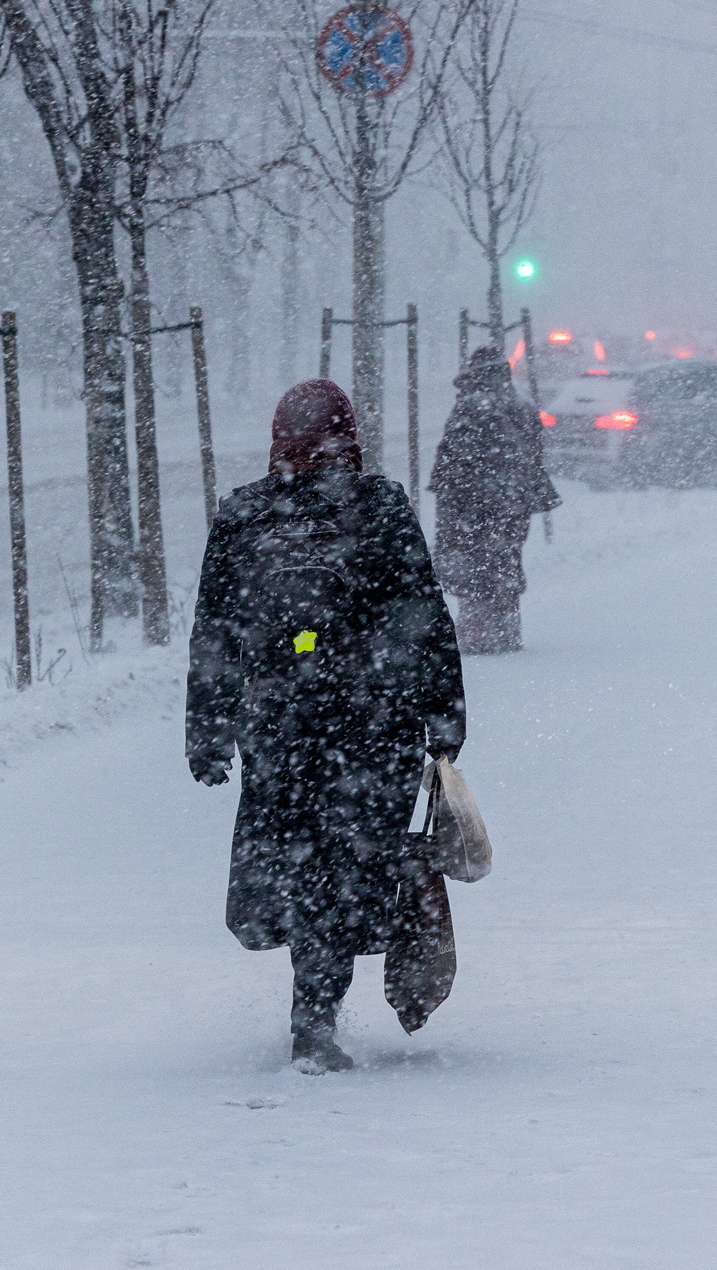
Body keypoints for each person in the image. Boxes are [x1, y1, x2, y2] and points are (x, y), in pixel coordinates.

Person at [186, 379, 466, 1074]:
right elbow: (424, 616)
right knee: (350, 866)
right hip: (373, 727)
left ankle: (312, 1010)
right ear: (350, 437)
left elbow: (215, 633)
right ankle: (320, 1011)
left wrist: (209, 728)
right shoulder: (379, 509)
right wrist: (443, 717)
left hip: (282, 729)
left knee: (305, 866)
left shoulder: (246, 515)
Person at [429, 344, 561, 652]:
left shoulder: (471, 407)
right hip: (514, 503)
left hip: (474, 504)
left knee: (473, 563)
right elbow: (534, 458)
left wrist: (452, 506)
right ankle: (505, 631)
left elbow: (454, 463)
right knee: (505, 561)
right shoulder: (524, 406)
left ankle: (477, 633)